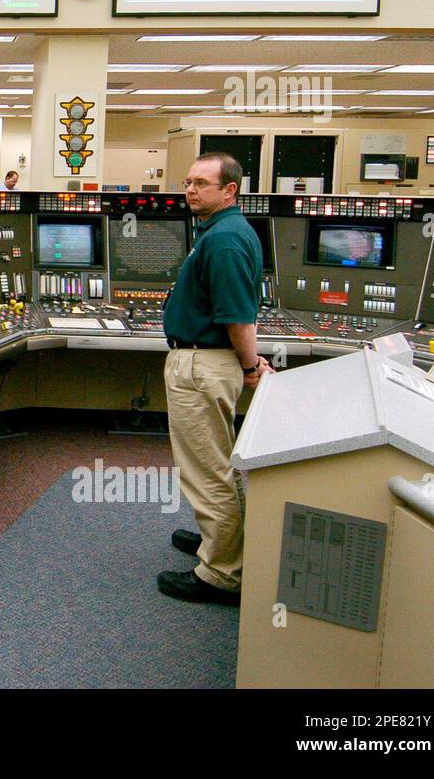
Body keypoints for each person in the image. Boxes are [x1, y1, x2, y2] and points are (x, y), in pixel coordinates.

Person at [158, 152, 273, 606]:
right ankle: (221, 543)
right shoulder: (223, 230)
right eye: (187, 182)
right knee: (217, 462)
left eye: (201, 183)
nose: (190, 190)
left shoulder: (224, 240)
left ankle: (223, 573)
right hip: (207, 362)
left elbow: (237, 318)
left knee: (208, 471)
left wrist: (250, 368)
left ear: (230, 190)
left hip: (203, 366)